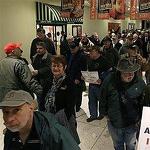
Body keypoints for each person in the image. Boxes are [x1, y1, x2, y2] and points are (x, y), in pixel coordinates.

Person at [0, 90, 80, 150]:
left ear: (31, 108)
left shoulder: (53, 132)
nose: (9, 118)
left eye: (16, 110)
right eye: (6, 112)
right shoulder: (11, 133)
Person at [99, 58, 146, 150]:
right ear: (120, 72)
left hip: (132, 123)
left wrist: (142, 118)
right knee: (117, 144)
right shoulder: (109, 80)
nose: (130, 75)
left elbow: (143, 102)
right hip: (115, 122)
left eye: (132, 72)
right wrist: (104, 113)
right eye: (126, 73)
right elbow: (103, 97)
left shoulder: (140, 83)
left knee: (131, 144)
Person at [45, 55, 80, 144]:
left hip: (64, 119)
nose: (56, 68)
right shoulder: (48, 81)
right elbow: (42, 99)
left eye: (59, 66)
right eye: (54, 66)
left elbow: (70, 105)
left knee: (66, 142)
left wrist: (59, 120)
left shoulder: (69, 82)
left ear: (64, 67)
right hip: (49, 117)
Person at [86, 46, 112, 122]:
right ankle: (93, 115)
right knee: (91, 100)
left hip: (101, 85)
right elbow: (89, 70)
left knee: (102, 100)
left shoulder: (104, 60)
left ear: (97, 52)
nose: (90, 54)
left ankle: (102, 114)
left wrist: (102, 79)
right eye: (90, 52)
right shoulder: (90, 60)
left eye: (92, 52)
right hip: (92, 83)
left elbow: (110, 72)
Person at [67, 39, 87, 112]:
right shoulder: (70, 54)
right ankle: (73, 105)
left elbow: (83, 69)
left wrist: (78, 78)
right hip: (70, 76)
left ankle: (77, 107)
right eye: (71, 47)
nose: (72, 49)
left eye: (73, 47)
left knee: (78, 93)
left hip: (77, 78)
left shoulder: (82, 56)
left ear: (78, 47)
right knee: (71, 92)